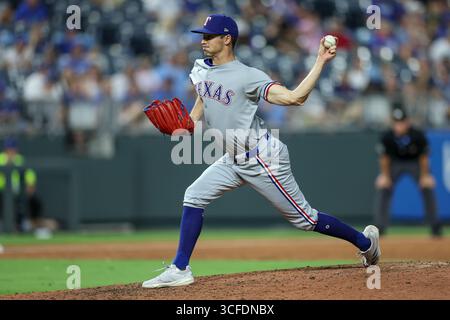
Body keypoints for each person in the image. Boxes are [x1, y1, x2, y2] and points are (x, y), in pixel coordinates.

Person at [142, 14, 380, 288]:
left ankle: (366, 243)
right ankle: (180, 268)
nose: (203, 41)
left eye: (209, 36)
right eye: (202, 36)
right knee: (194, 195)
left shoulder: (249, 76)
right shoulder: (201, 70)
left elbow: (295, 98)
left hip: (262, 158)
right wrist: (182, 129)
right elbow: (196, 116)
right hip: (231, 159)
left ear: (227, 38)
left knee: (305, 219)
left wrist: (320, 61)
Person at [374, 107, 442, 237]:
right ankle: (379, 227)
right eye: (396, 123)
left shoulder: (417, 135)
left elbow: (423, 158)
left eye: (401, 122)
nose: (399, 126)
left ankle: (435, 226)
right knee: (384, 187)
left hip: (415, 163)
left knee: (427, 187)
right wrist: (384, 176)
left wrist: (425, 175)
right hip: (394, 163)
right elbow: (384, 158)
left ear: (407, 122)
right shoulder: (387, 136)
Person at [0, 137, 52, 233]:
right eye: (9, 148)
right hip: (2, 192)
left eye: (13, 148)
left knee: (34, 201)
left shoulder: (20, 159)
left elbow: (30, 174)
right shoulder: (1, 158)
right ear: (5, 149)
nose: (11, 151)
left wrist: (30, 185)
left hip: (17, 193)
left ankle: (30, 225)